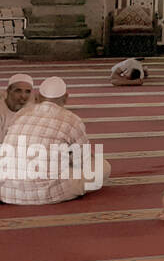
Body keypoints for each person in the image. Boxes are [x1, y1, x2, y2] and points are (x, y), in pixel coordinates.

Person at [0, 77, 111, 205]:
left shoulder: (20, 114)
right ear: (66, 97)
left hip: (6, 191)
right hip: (47, 193)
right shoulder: (72, 119)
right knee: (102, 166)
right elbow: (82, 160)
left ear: (38, 97)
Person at [1, 73, 35, 141]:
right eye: (18, 91)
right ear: (8, 91)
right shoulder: (1, 110)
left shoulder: (31, 111)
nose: (23, 96)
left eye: (27, 91)